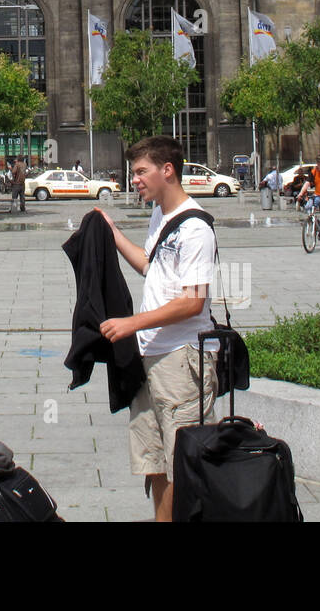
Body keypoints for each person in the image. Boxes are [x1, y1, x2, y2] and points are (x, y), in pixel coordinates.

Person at [90, 135, 218, 523]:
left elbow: (193, 301)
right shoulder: (160, 215)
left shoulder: (196, 229)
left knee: (185, 466)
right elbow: (150, 265)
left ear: (168, 170)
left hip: (184, 361)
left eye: (141, 171)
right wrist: (111, 235)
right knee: (156, 463)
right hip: (152, 358)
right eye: (133, 173)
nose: (136, 180)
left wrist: (132, 323)